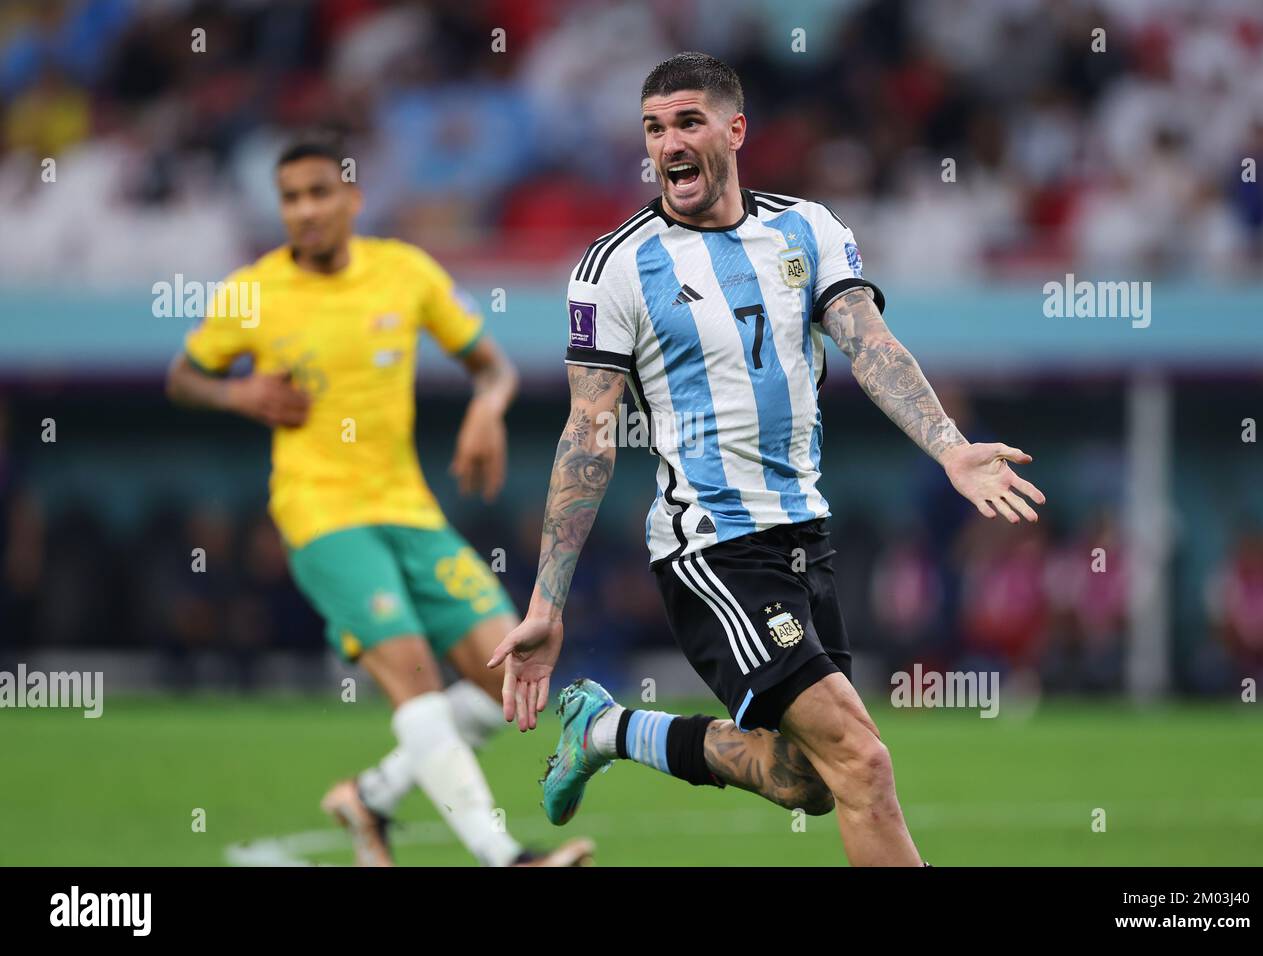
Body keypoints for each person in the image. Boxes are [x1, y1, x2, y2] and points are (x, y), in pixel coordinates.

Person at [488, 54, 1046, 866]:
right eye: (653, 128)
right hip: (712, 546)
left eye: (687, 122)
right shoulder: (613, 267)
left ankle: (609, 728)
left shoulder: (806, 228)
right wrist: (547, 602)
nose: (667, 143)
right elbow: (588, 435)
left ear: (735, 129)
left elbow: (870, 343)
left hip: (804, 537)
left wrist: (952, 451)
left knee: (808, 779)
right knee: (863, 760)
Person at [165, 135, 592, 867]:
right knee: (417, 680)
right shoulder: (253, 291)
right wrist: (236, 390)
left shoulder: (404, 272)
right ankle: (505, 857)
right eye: (291, 198)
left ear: (352, 198)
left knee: (512, 678)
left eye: (319, 193)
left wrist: (487, 408)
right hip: (322, 513)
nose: (305, 210)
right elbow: (183, 377)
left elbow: (494, 370)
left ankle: (371, 797)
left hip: (411, 511)